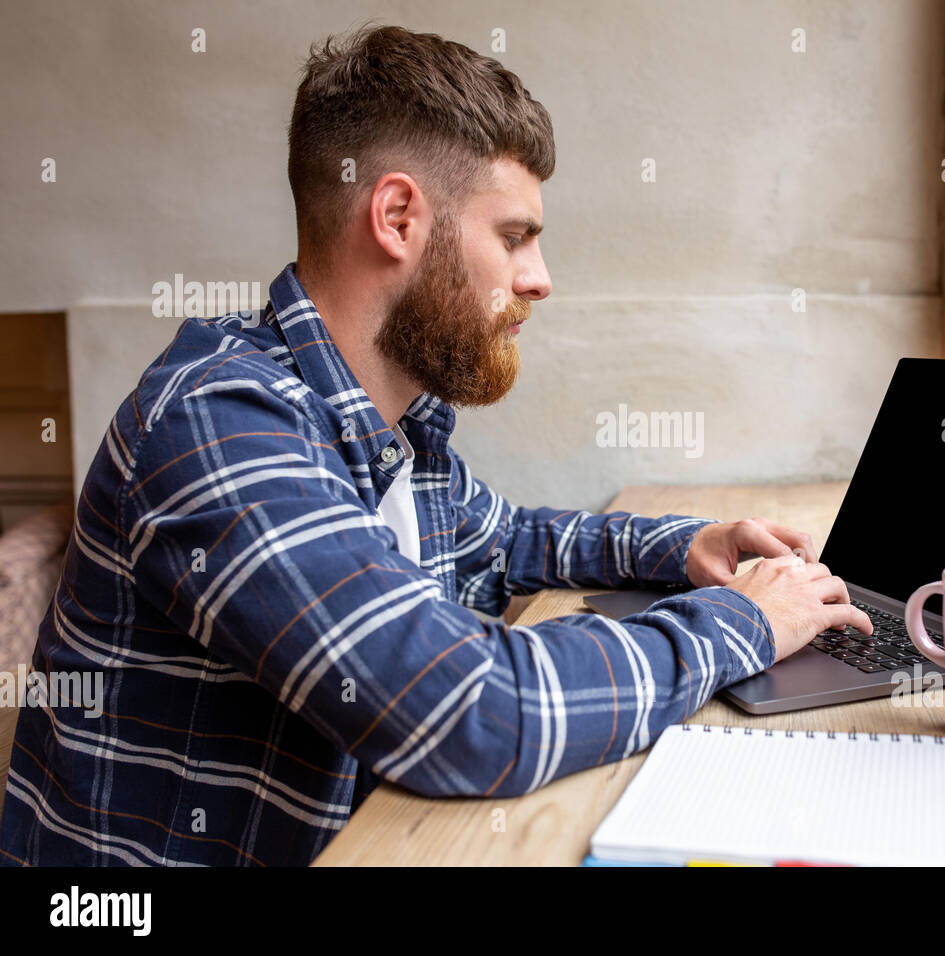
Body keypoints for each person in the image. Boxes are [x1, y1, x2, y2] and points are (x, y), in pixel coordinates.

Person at [0, 24, 871, 867]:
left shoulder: (388, 423)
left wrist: (682, 545)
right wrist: (745, 623)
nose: (539, 278)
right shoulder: (221, 426)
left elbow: (503, 539)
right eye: (515, 235)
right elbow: (466, 712)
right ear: (398, 217)